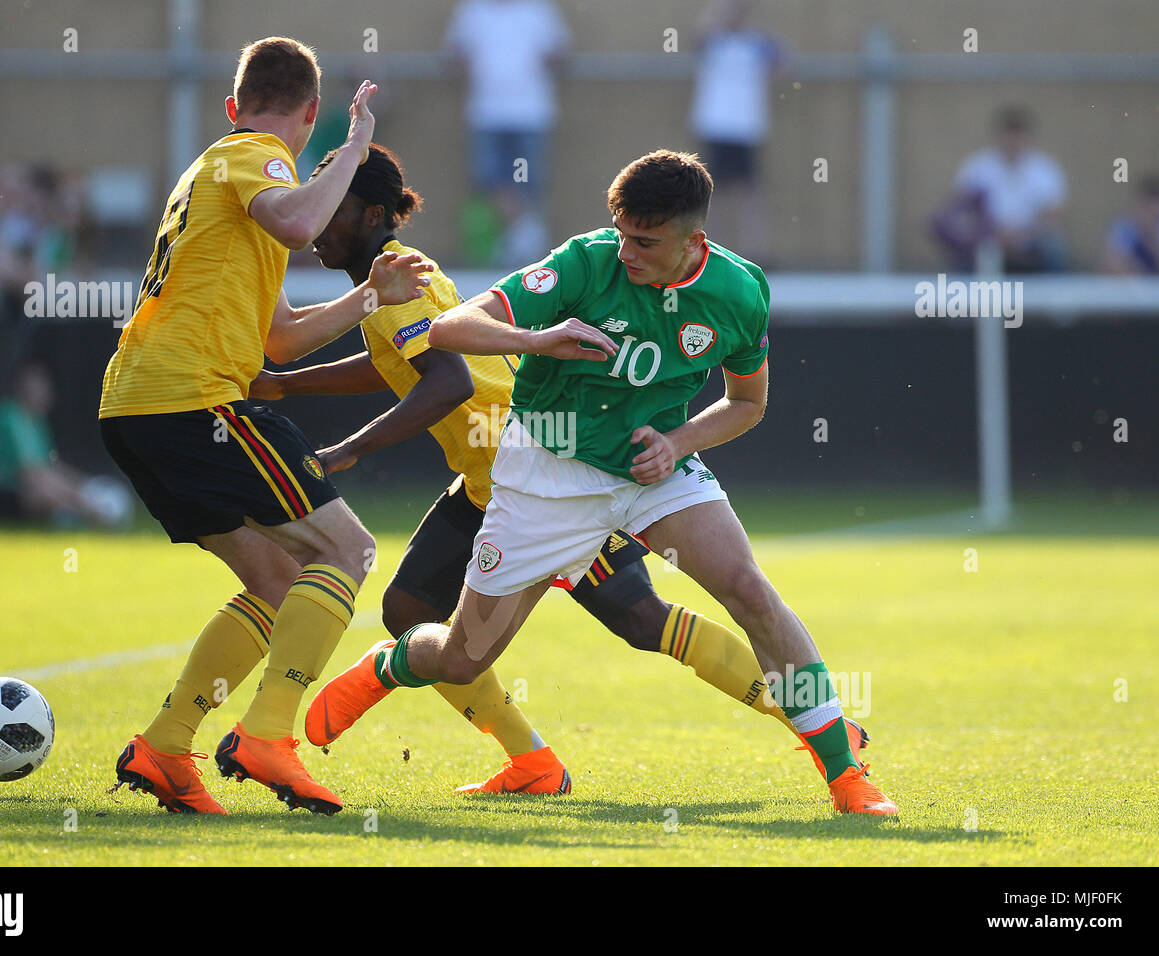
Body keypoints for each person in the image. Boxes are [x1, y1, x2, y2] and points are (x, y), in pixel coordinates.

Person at [251, 144, 862, 795]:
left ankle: (844, 770)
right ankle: (397, 663)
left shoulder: (740, 292)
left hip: (648, 473)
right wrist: (537, 339)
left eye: (645, 242)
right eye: (622, 232)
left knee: (746, 588)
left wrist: (677, 443)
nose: (626, 250)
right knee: (463, 660)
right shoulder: (584, 263)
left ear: (693, 242)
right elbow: (452, 330)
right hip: (542, 474)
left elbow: (747, 405)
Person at [98, 37, 431, 815]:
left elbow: (276, 338)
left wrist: (369, 297)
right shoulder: (255, 157)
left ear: (231, 101)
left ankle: (165, 747)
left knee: (279, 582)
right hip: (193, 404)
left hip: (137, 408)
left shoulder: (216, 175)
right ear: (310, 114)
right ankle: (267, 737)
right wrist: (352, 149)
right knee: (347, 550)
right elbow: (296, 220)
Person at [444, 0, 570, 267]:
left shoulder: (538, 9)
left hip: (530, 112)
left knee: (528, 181)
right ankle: (522, 237)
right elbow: (456, 51)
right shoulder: (473, 9)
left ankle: (524, 248)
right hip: (486, 112)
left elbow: (558, 50)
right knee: (488, 178)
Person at [0, 362, 128, 527]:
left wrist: (85, 486)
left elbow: (50, 465)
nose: (44, 393)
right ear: (21, 388)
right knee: (38, 493)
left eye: (45, 387)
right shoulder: (9, 417)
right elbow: (31, 474)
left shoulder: (36, 421)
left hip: (11, 488)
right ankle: (77, 518)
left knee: (49, 486)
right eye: (37, 387)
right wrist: (83, 505)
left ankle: (73, 516)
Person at [690, 0, 782, 264]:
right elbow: (699, 35)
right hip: (715, 125)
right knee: (710, 190)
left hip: (746, 127)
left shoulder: (758, 43)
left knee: (749, 190)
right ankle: (710, 248)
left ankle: (755, 251)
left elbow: (783, 65)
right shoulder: (713, 41)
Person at [936, 105, 1068, 273]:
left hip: (1031, 238)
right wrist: (994, 233)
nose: (1013, 141)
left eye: (1018, 135)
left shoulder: (1044, 168)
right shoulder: (977, 166)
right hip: (988, 237)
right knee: (969, 250)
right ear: (999, 136)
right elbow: (963, 208)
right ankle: (969, 297)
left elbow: (1055, 212)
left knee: (1053, 247)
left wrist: (1022, 234)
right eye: (1009, 134)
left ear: (1027, 137)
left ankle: (1051, 297)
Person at [1105, 174, 1159, 276]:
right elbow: (1114, 267)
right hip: (1134, 287)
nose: (1150, 215)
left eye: (1155, 213)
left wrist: (1154, 236)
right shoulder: (1124, 227)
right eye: (1147, 209)